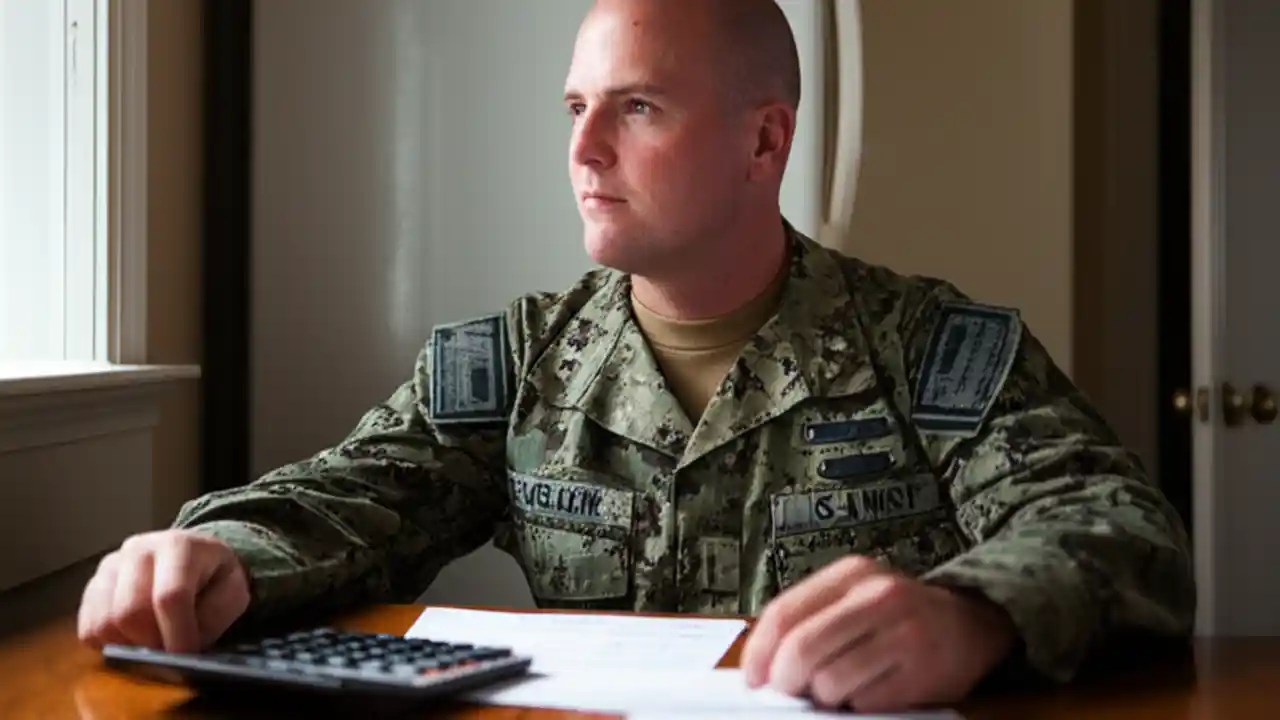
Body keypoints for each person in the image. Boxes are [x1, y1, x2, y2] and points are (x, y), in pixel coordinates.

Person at [77, 0, 1194, 711]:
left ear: (764, 139)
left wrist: (972, 614)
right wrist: (218, 552)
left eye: (637, 107)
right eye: (574, 106)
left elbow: (1118, 531)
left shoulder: (932, 350)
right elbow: (357, 499)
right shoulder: (514, 360)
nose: (581, 150)